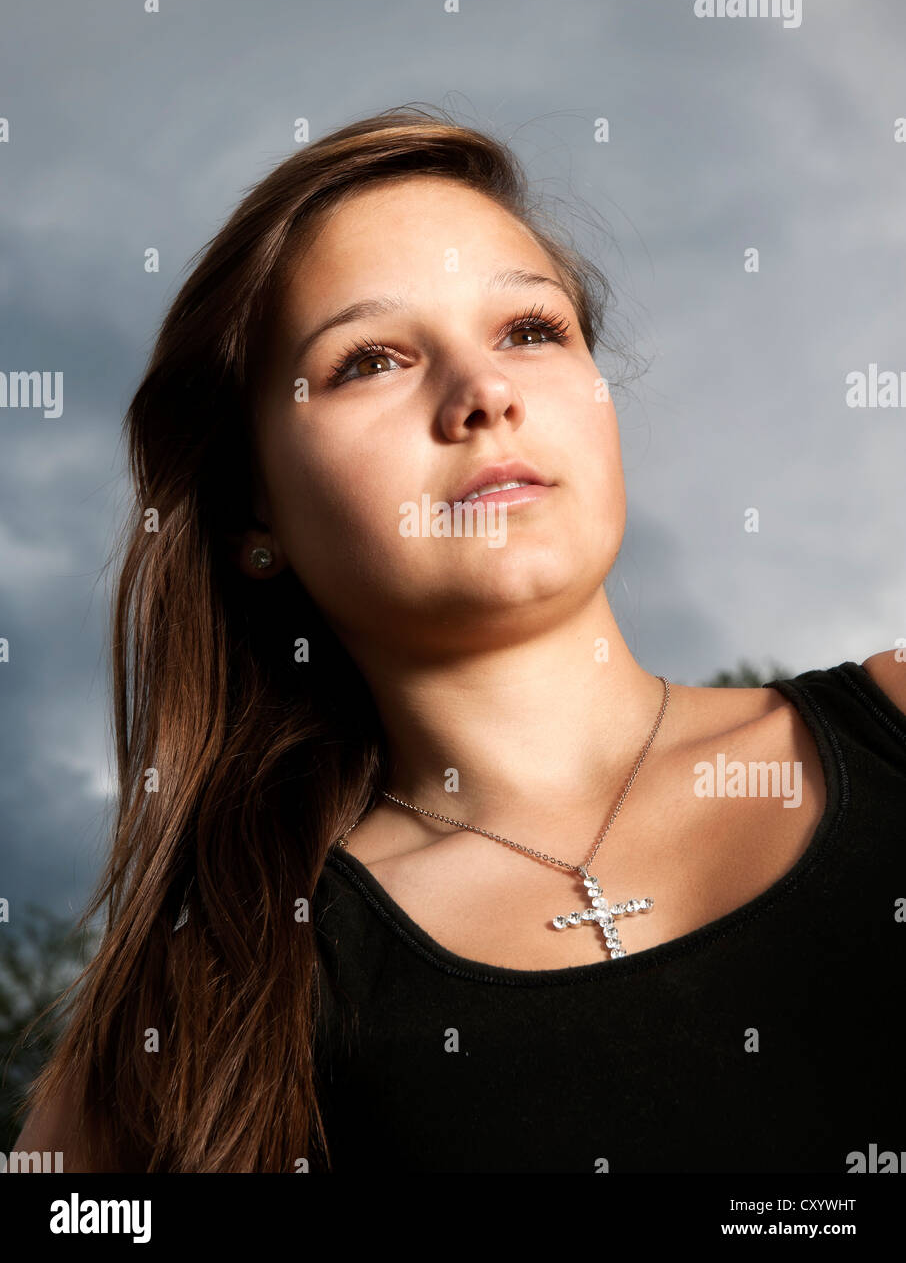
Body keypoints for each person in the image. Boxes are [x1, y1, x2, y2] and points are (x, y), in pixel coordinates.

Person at [13, 105, 906, 1173]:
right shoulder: (207, 995)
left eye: (532, 331)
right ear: (253, 513)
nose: (484, 394)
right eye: (370, 360)